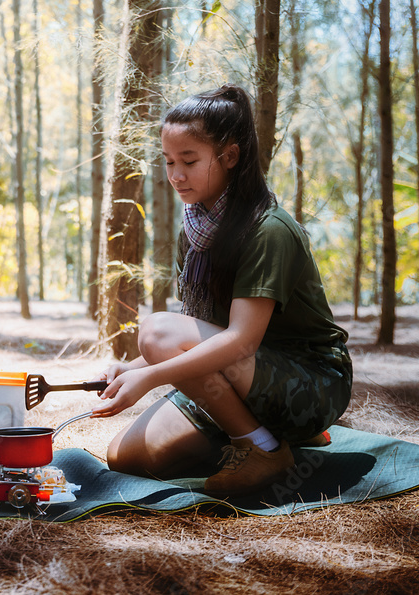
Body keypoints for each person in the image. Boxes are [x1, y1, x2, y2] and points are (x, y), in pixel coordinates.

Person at [91, 84, 352, 498]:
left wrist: (151, 376)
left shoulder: (269, 230)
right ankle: (263, 428)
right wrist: (132, 368)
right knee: (127, 457)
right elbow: (198, 330)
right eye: (169, 161)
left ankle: (263, 447)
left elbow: (240, 340)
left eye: (189, 161)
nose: (176, 175)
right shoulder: (196, 228)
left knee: (156, 329)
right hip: (238, 378)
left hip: (309, 382)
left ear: (230, 156)